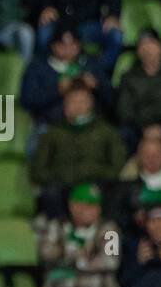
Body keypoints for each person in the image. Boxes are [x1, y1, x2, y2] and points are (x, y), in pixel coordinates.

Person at [31, 80, 126, 218]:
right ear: (65, 105)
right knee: (51, 192)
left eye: (82, 101)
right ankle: (60, 231)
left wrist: (94, 171)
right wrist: (63, 175)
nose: (78, 106)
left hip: (97, 183)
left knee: (115, 191)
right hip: (63, 186)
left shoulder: (107, 131)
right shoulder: (52, 133)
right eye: (73, 102)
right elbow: (38, 170)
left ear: (91, 103)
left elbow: (117, 166)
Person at [40, 183, 120, 287]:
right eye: (86, 205)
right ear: (73, 206)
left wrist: (74, 260)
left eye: (95, 206)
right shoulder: (57, 226)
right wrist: (84, 254)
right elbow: (46, 253)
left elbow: (110, 261)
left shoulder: (109, 229)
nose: (91, 210)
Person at [20, 26, 113, 125]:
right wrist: (56, 90)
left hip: (92, 126)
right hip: (51, 125)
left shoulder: (90, 64)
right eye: (62, 45)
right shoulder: (38, 68)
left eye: (73, 44)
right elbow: (28, 101)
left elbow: (112, 100)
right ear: (53, 46)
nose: (68, 50)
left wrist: (97, 86)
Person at [116, 29, 161, 148]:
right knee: (124, 132)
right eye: (142, 44)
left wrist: (159, 127)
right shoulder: (128, 77)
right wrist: (145, 127)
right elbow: (124, 110)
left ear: (160, 47)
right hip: (138, 129)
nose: (147, 49)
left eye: (151, 43)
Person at [122, 205, 161, 287]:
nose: (158, 226)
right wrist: (138, 262)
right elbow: (124, 281)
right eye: (153, 221)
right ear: (147, 225)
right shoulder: (135, 245)